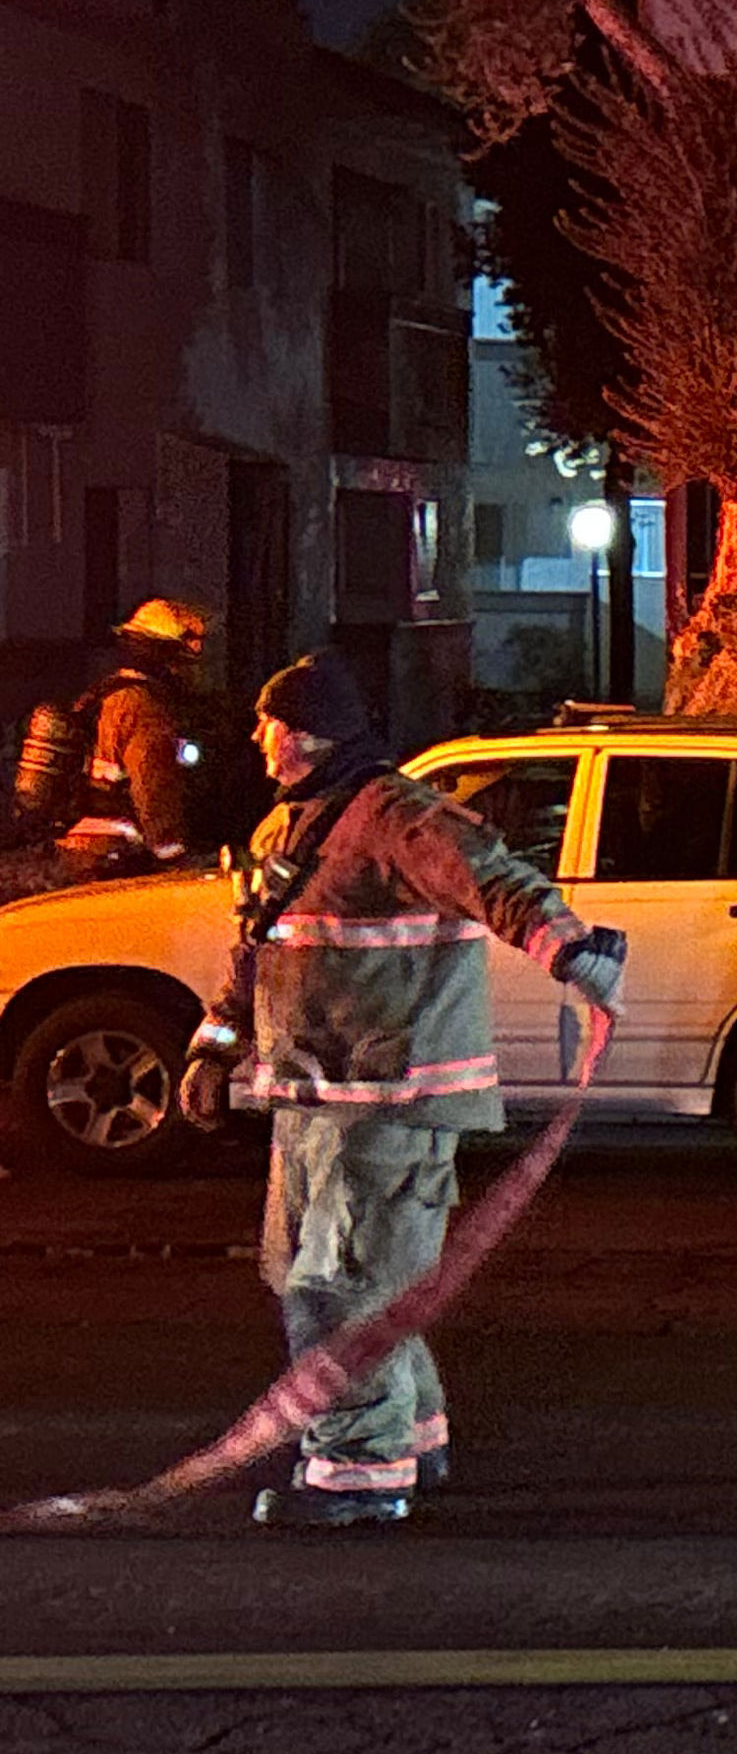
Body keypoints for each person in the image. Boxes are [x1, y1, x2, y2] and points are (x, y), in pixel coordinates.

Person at [173, 654, 624, 1530]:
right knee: (329, 1278)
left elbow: (494, 878)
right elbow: (259, 955)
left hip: (390, 1102)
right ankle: (409, 1438)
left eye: (268, 722)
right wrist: (212, 1048)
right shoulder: (291, 833)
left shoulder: (399, 818)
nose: (256, 738)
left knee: (338, 1291)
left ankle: (356, 1474)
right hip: (315, 1105)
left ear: (307, 733)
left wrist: (571, 951)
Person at [49, 597, 211, 878]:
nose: (191, 671)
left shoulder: (105, 694)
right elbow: (154, 789)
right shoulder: (145, 707)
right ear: (165, 656)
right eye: (185, 660)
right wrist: (175, 858)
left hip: (83, 849)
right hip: (118, 858)